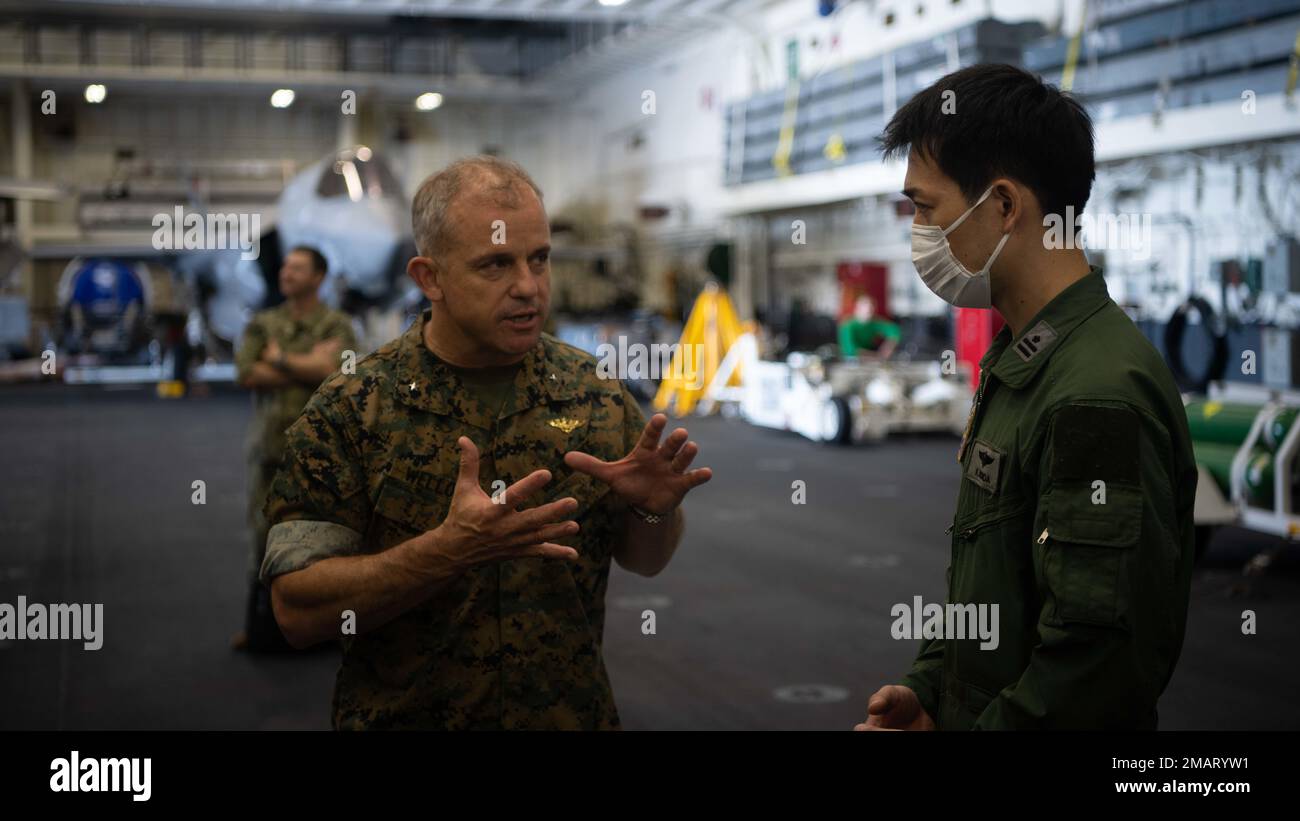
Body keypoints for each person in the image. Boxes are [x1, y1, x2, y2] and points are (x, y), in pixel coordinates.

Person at [259, 156, 712, 729]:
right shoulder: (355, 406)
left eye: (539, 259)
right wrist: (447, 552)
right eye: (496, 264)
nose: (528, 287)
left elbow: (645, 561)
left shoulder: (594, 392)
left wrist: (653, 513)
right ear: (429, 278)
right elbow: (296, 612)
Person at [857, 64, 1197, 730]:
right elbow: (994, 579)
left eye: (925, 208)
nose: (918, 231)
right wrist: (931, 692)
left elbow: (1092, 675)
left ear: (1004, 206)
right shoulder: (1026, 361)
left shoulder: (1095, 393)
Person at [233, 246, 356, 652]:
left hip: (323, 451)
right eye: (285, 266)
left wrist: (280, 359)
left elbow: (338, 372)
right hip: (271, 449)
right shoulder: (263, 322)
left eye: (298, 268)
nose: (286, 273)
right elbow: (247, 374)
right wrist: (308, 365)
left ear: (318, 277)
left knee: (326, 538)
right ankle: (261, 630)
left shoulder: (337, 323)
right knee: (262, 537)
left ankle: (323, 630)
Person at [837, 294, 900, 360]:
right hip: (851, 361)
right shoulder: (847, 326)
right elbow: (850, 351)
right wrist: (877, 356)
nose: (870, 310)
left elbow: (895, 332)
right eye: (865, 307)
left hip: (871, 359)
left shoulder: (873, 322)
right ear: (857, 308)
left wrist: (887, 348)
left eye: (871, 308)